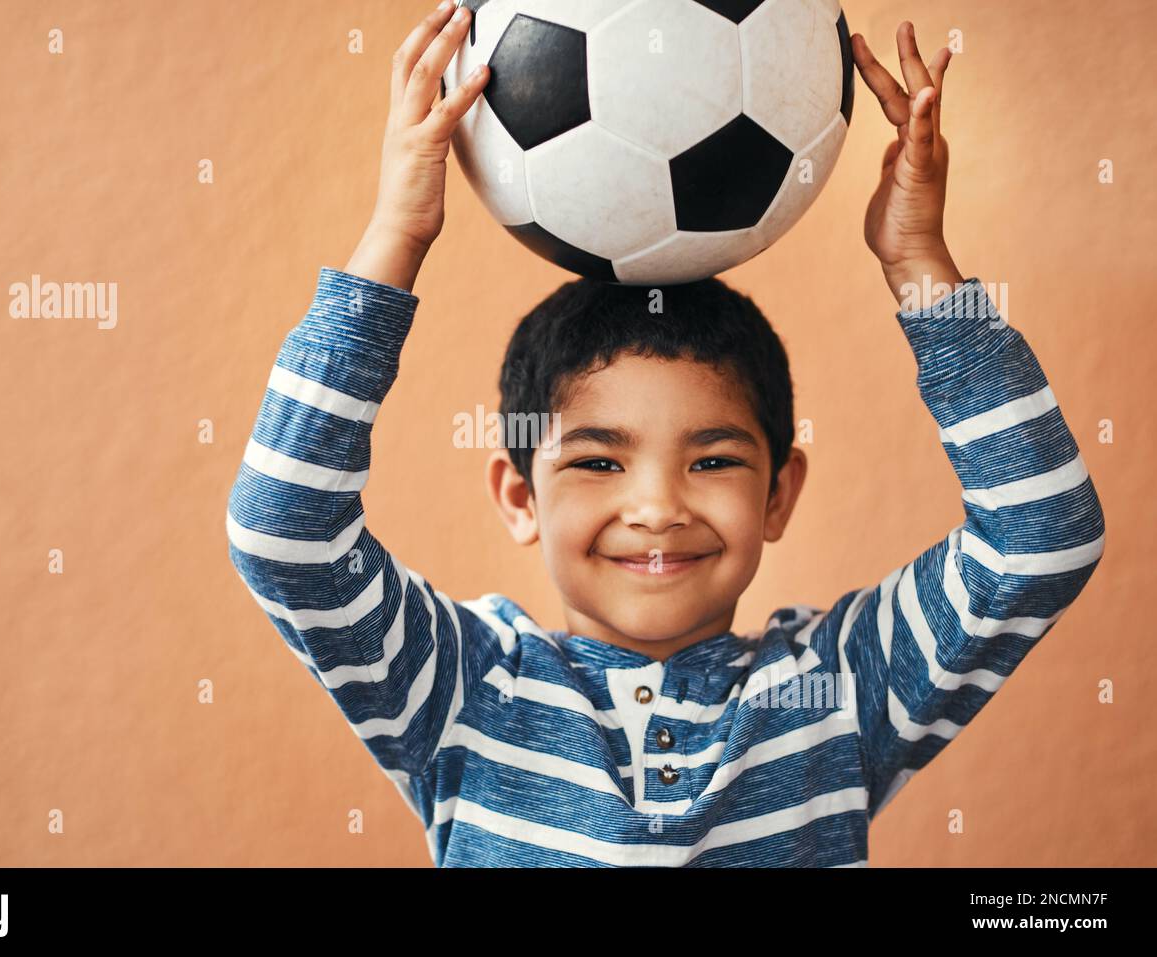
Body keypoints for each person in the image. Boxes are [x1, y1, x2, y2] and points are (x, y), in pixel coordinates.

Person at [224, 3, 1105, 866]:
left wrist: (917, 262)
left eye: (714, 458)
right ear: (518, 495)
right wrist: (396, 236)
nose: (656, 506)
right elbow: (283, 536)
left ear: (780, 491)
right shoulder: (462, 689)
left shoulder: (835, 693)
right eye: (599, 460)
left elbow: (1040, 541)